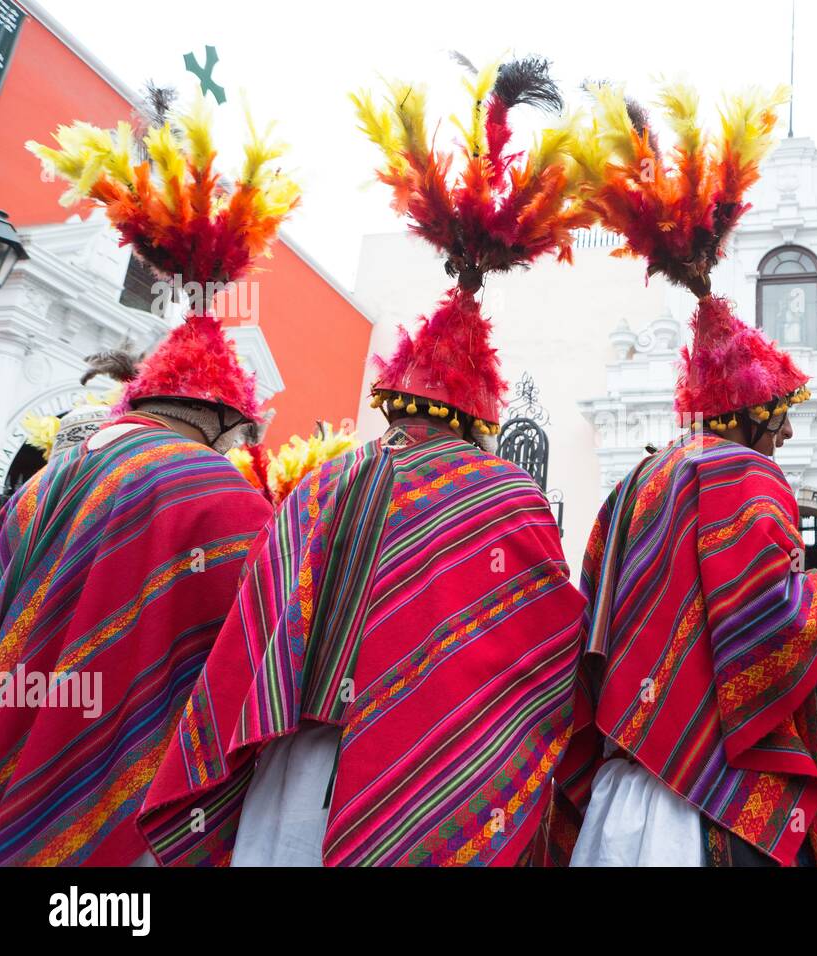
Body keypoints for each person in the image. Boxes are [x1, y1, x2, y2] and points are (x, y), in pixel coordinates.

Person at [137, 56, 590, 866]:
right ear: (481, 416)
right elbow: (547, 652)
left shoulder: (325, 480)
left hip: (283, 781)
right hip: (433, 787)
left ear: (396, 402)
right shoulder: (505, 499)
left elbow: (248, 644)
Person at [540, 80, 817, 867]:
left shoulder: (635, 485)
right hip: (711, 808)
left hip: (625, 787)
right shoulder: (745, 478)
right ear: (750, 415)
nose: (782, 434)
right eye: (777, 416)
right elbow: (765, 631)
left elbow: (595, 625)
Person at [0, 91, 296, 865]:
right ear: (224, 420)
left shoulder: (46, 480)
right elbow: (259, 673)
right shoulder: (221, 498)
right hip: (121, 822)